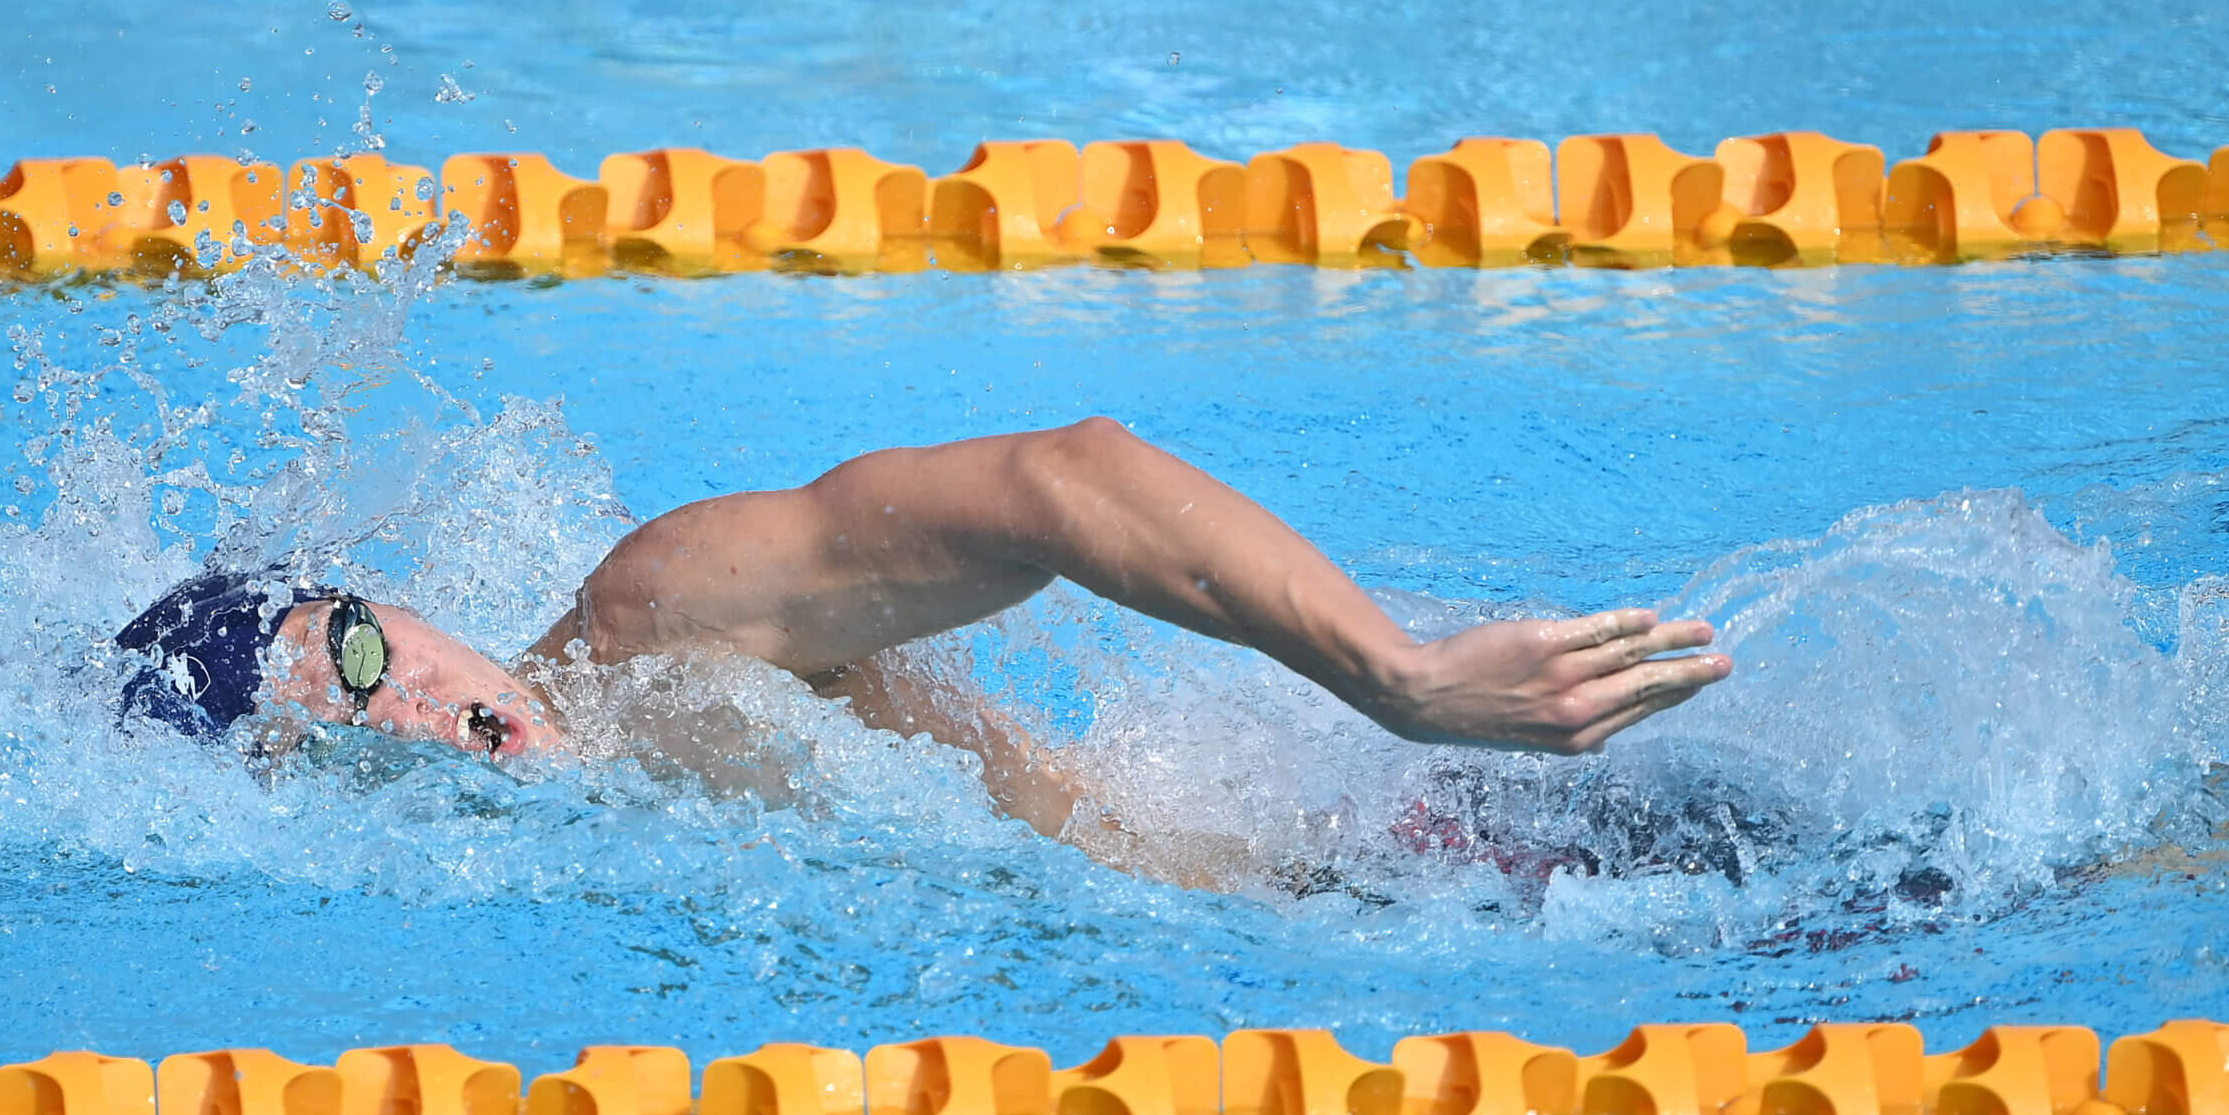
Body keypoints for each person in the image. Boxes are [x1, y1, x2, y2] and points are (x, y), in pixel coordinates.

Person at [114, 419, 1732, 856]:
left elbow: (1061, 478)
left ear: (403, 602)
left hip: (1442, 859)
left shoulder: (653, 622)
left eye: (359, 652)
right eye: (325, 733)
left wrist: (1404, 678)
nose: (404, 714)